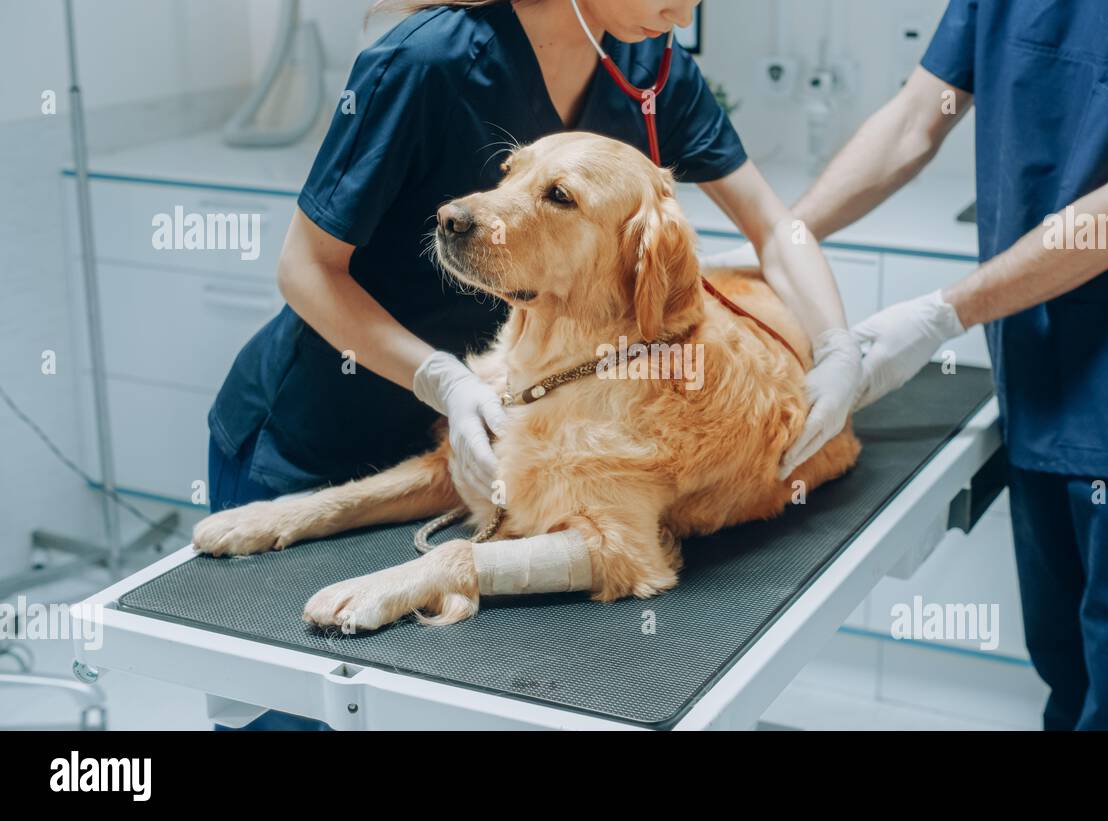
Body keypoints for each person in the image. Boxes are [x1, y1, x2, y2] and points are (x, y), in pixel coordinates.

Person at [205, 0, 861, 730]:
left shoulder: (651, 65)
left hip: (484, 424)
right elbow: (305, 270)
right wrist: (444, 380)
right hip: (317, 424)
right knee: (291, 710)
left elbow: (775, 226)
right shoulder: (426, 63)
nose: (681, 12)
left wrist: (838, 348)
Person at [769, 0, 1108, 729]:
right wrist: (782, 240)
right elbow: (916, 116)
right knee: (1066, 677)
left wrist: (942, 312)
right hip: (1039, 381)